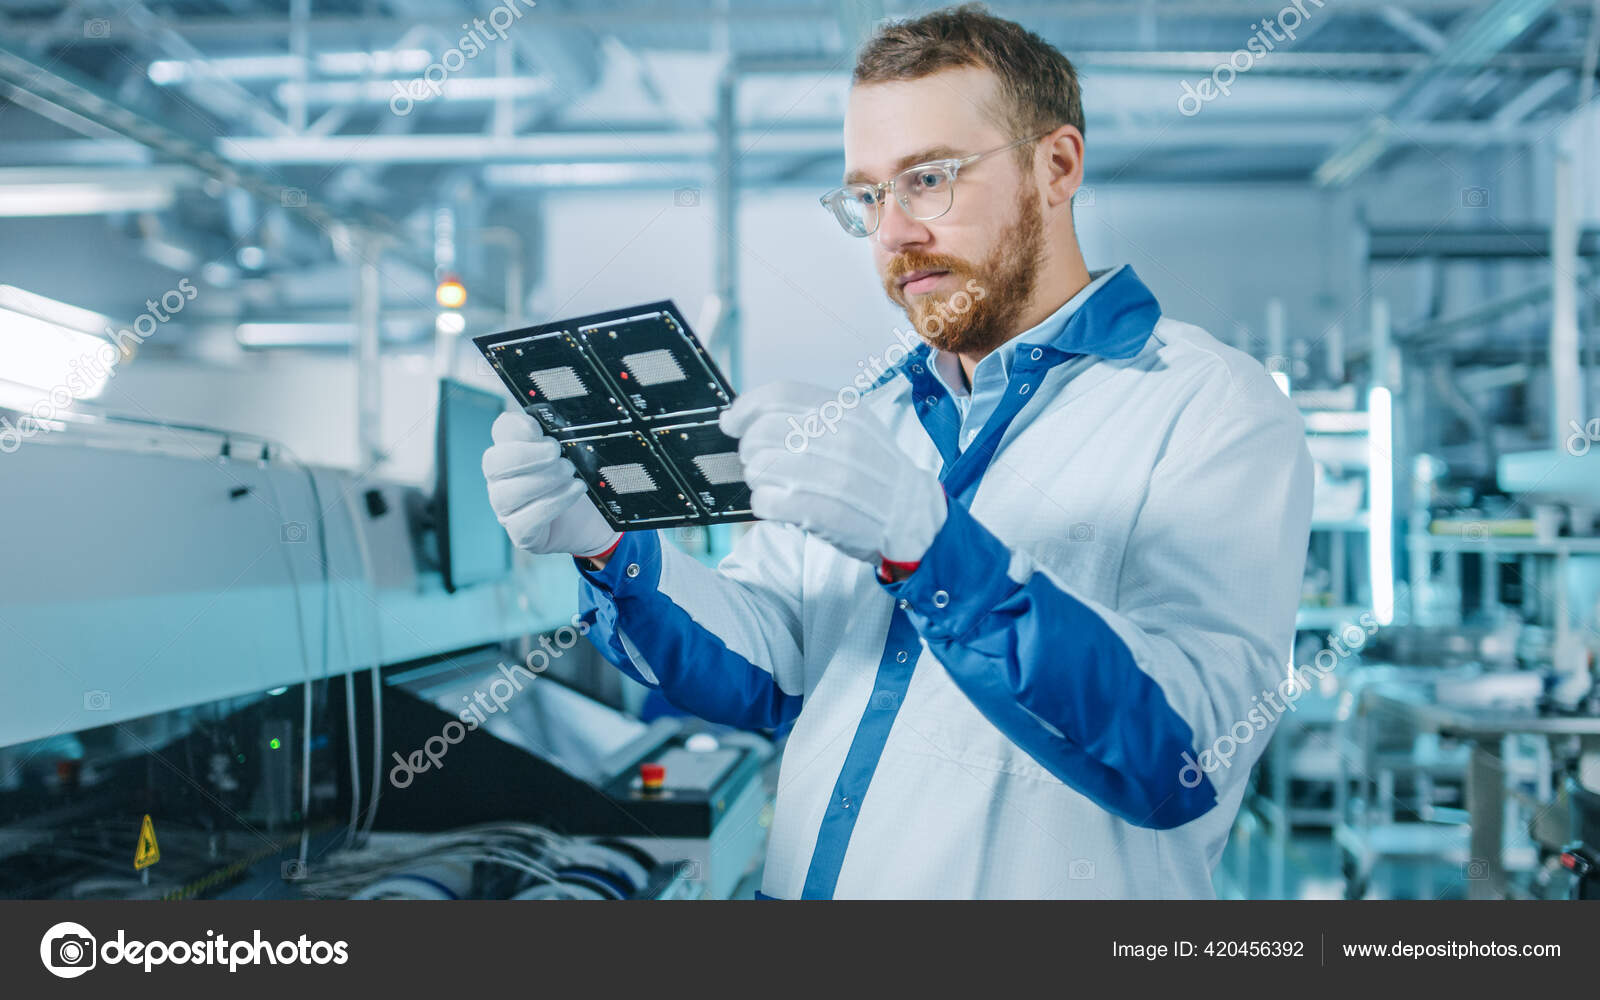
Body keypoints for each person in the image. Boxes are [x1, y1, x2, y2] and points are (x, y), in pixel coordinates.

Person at [482, 3, 1312, 899]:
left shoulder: (1208, 407)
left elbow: (1184, 754)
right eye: (868, 196)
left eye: (930, 179)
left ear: (1056, 166)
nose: (892, 233)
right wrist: (610, 544)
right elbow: (769, 668)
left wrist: (931, 546)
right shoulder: (873, 421)